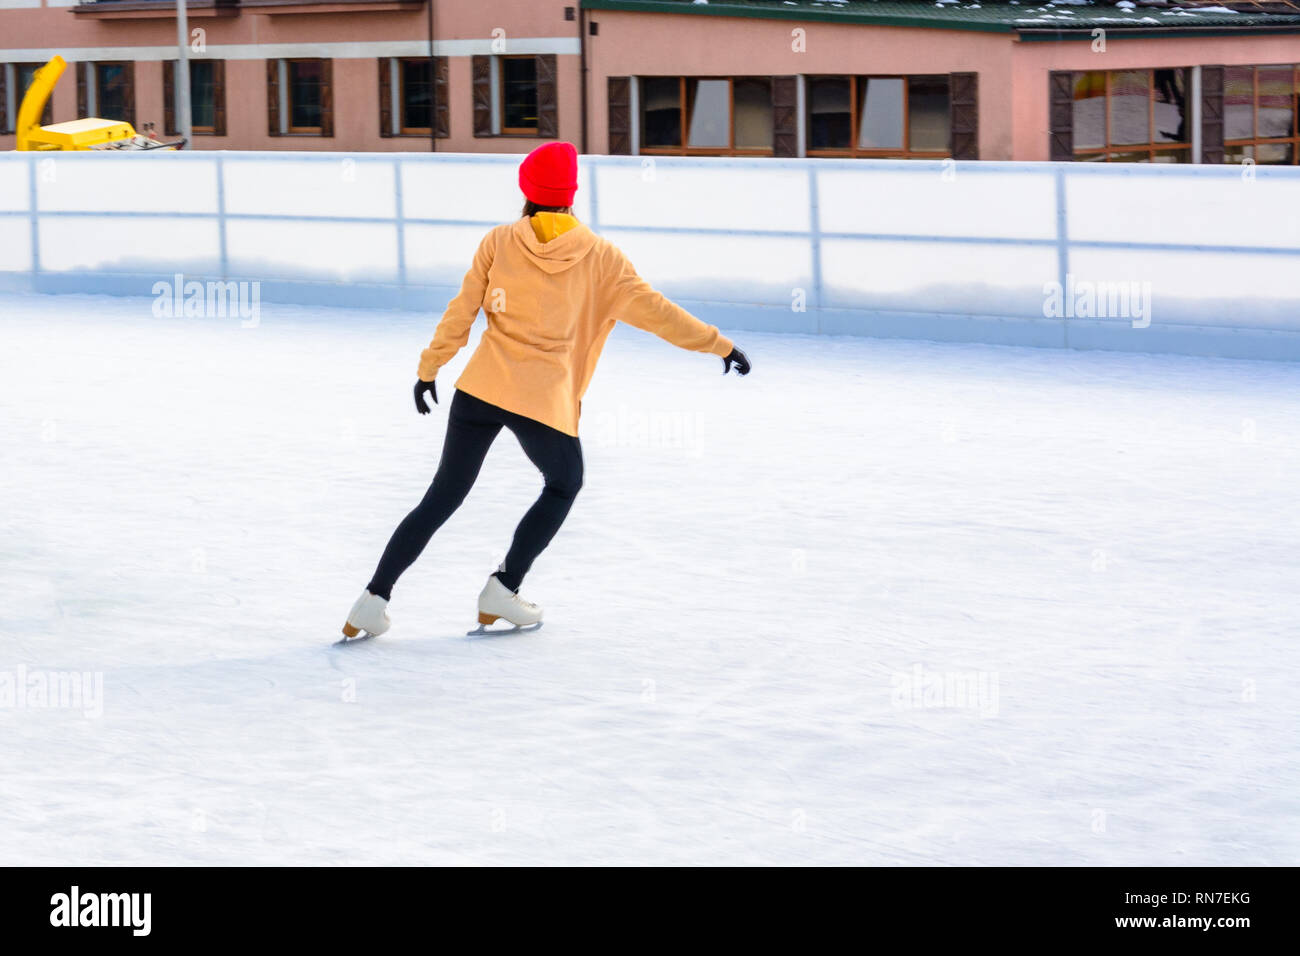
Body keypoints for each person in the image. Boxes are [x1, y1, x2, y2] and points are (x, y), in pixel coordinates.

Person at [342, 141, 750, 639]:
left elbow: (462, 310)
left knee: (443, 496)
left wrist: (431, 368)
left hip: (481, 390)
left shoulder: (499, 240)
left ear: (527, 192)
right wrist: (719, 345)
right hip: (542, 400)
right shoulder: (603, 259)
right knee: (563, 483)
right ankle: (504, 588)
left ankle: (373, 598)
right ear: (571, 196)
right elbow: (659, 313)